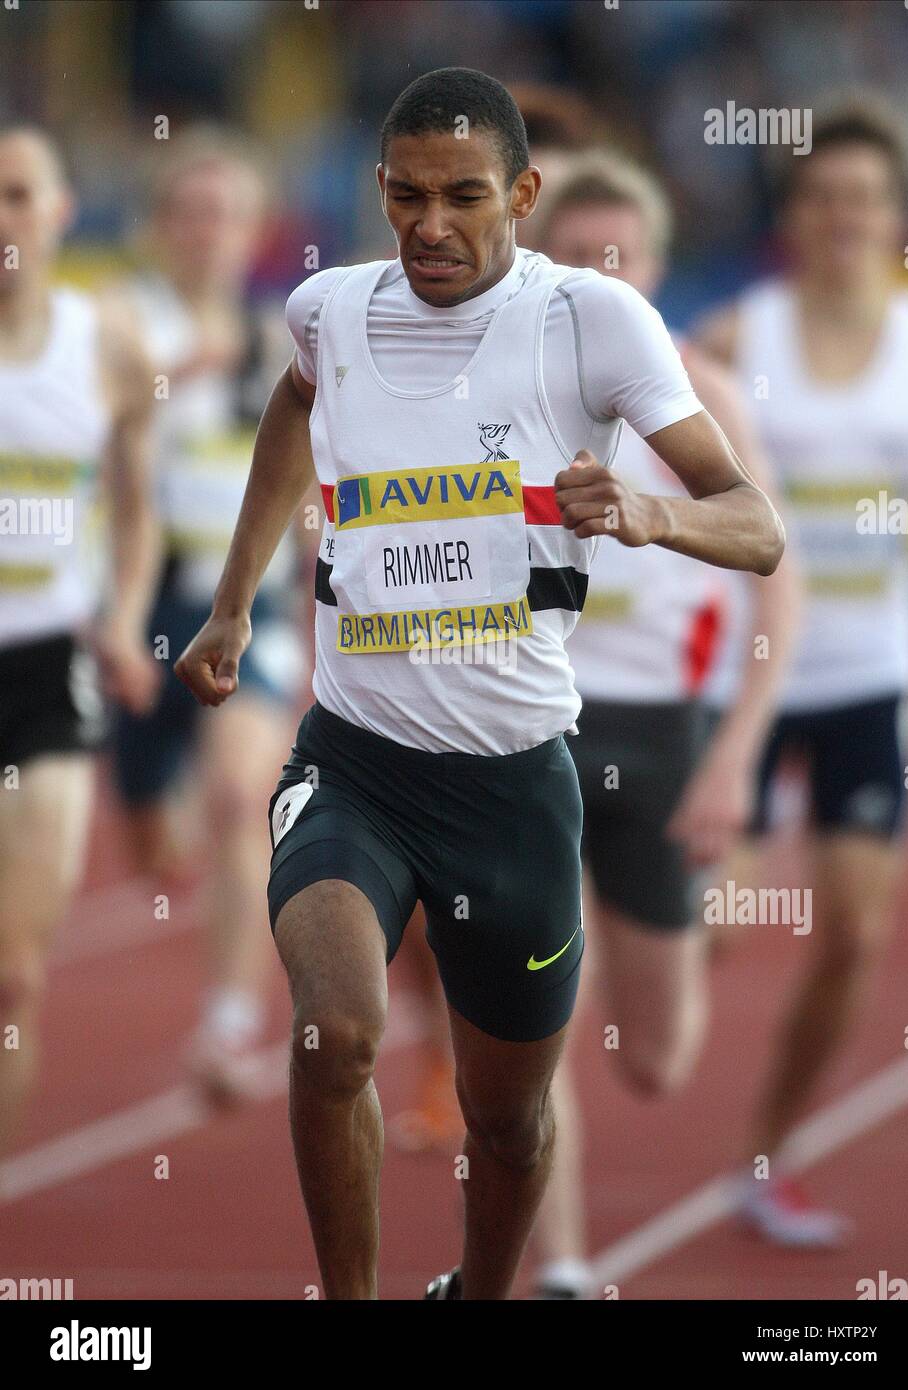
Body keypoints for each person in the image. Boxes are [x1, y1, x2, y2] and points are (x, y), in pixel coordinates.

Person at [175, 67, 784, 1300]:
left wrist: (652, 514)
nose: (430, 226)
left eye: (462, 197)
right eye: (405, 196)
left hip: (514, 786)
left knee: (508, 1121)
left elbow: (757, 525)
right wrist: (234, 598)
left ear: (523, 193)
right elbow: (293, 412)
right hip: (355, 761)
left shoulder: (593, 322)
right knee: (336, 1030)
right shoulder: (329, 311)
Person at [527, 150, 799, 1298]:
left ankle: (701, 912)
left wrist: (737, 759)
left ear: (653, 267)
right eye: (575, 256)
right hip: (530, 733)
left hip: (663, 738)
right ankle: (564, 1269)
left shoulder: (701, 398)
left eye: (619, 257)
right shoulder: (506, 397)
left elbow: (776, 587)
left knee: (656, 1059)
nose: (599, 274)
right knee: (535, 1027)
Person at [697, 103, 908, 1246]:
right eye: (824, 196)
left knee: (853, 934)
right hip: (744, 672)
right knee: (710, 924)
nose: (844, 217)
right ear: (796, 216)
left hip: (869, 672)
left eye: (865, 198)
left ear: (897, 219)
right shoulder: (744, 337)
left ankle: (768, 1155)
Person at [110, 130, 308, 1100]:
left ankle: (229, 1022)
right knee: (151, 833)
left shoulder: (281, 339)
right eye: (188, 213)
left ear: (255, 231)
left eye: (226, 214)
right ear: (156, 226)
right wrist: (187, 369)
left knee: (245, 798)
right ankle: (161, 809)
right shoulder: (118, 321)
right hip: (132, 604)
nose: (206, 233)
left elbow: (307, 477)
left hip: (242, 604)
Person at [0, 127, 158, 1170]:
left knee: (14, 973)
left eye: (17, 194)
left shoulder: (106, 343)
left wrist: (123, 612)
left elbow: (138, 506)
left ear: (60, 210)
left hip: (45, 667)